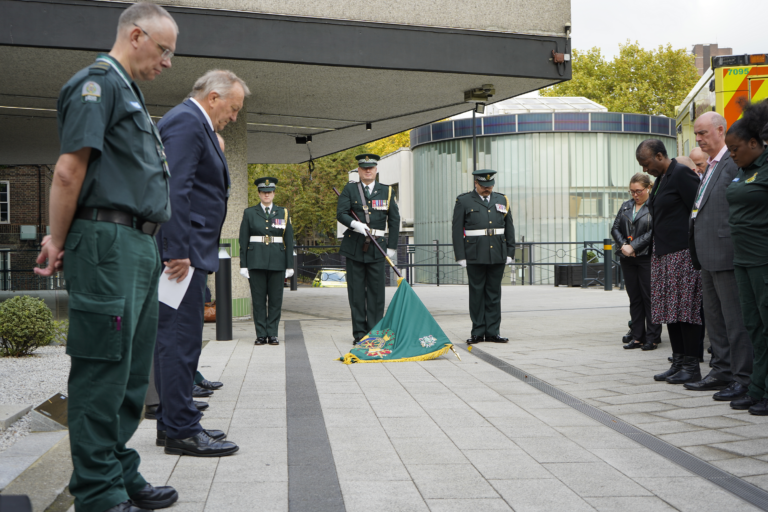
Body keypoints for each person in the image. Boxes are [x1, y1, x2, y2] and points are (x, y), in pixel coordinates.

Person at [33, 4, 180, 512]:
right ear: (136, 35)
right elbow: (69, 171)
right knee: (103, 369)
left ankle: (117, 470)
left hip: (137, 243)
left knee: (133, 372)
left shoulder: (129, 92)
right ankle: (97, 492)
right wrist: (55, 239)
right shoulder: (96, 85)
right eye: (163, 50)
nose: (167, 63)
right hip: (105, 241)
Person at [153, 69, 249, 457]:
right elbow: (175, 187)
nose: (235, 116)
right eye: (234, 107)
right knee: (180, 340)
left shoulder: (194, 123)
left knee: (180, 338)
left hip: (190, 250)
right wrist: (177, 250)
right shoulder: (188, 121)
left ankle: (173, 421)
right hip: (183, 255)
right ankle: (180, 430)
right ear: (213, 97)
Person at [684, 112, 752, 401]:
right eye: (696, 134)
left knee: (734, 320)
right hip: (707, 255)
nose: (698, 139)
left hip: (725, 254)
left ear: (721, 130)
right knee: (715, 320)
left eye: (702, 133)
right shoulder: (710, 165)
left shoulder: (731, 162)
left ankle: (742, 377)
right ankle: (721, 370)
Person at [636, 139, 703, 384]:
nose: (645, 170)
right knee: (669, 311)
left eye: (646, 163)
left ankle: (691, 366)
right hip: (663, 253)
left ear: (660, 156)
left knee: (686, 311)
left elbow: (697, 210)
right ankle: (677, 361)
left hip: (682, 253)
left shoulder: (681, 174)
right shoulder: (662, 180)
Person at [724, 101, 768, 414]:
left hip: (764, 261)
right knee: (754, 327)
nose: (732, 154)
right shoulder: (743, 172)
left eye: (736, 148)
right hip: (743, 261)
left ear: (754, 143)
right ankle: (757, 388)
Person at [336, 154, 401, 345]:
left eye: (371, 167)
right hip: (354, 246)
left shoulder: (387, 191)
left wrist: (392, 246)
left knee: (376, 292)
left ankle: (374, 332)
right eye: (364, 168)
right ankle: (359, 334)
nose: (367, 171)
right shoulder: (350, 189)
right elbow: (341, 213)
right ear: (359, 170)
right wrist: (355, 224)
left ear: (376, 169)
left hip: (377, 247)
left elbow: (395, 220)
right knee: (356, 293)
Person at [452, 169, 516, 344]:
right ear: (476, 183)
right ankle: (478, 332)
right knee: (477, 293)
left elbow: (509, 227)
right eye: (483, 186)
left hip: (497, 252)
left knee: (494, 293)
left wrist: (510, 251)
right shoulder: (463, 201)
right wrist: (460, 255)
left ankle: (493, 332)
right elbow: (457, 230)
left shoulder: (502, 199)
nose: (487, 189)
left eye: (490, 185)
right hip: (474, 253)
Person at [238, 177, 295, 345]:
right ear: (259, 194)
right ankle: (261, 334)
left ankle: (273, 333)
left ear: (274, 193)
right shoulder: (249, 213)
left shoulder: (283, 212)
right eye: (264, 192)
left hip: (278, 260)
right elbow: (243, 240)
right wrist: (244, 264)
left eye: (269, 192)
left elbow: (289, 239)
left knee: (276, 299)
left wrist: (289, 264)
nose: (267, 195)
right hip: (256, 260)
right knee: (258, 299)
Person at [612, 173, 660, 350]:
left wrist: (634, 246)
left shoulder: (654, 205)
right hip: (628, 257)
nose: (635, 195)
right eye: (631, 191)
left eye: (638, 191)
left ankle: (653, 337)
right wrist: (624, 245)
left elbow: (655, 231)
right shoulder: (626, 206)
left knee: (649, 297)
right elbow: (615, 228)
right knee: (635, 297)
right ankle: (638, 336)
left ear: (648, 188)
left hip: (647, 256)